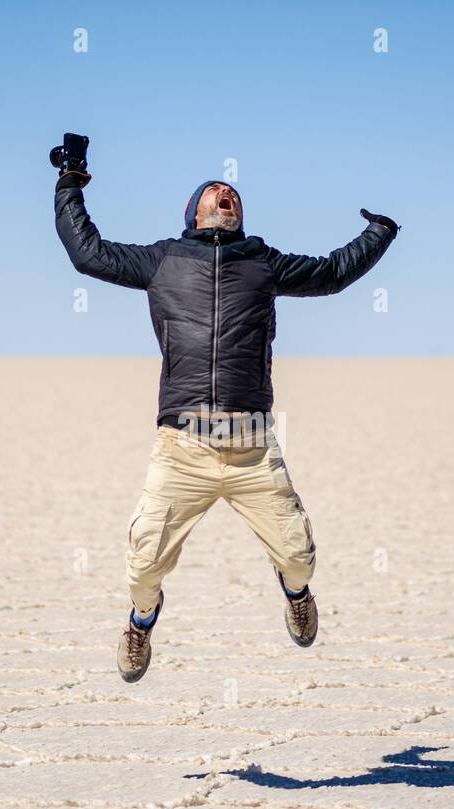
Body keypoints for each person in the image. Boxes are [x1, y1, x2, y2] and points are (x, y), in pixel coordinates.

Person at [54, 155, 398, 682]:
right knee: (144, 564)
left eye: (233, 193)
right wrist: (70, 182)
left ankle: (296, 595)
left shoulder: (264, 262)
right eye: (215, 191)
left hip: (251, 448)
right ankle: (140, 624)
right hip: (182, 449)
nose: (226, 195)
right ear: (194, 212)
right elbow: (87, 253)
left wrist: (380, 232)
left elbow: (332, 274)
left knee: (300, 556)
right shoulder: (161, 261)